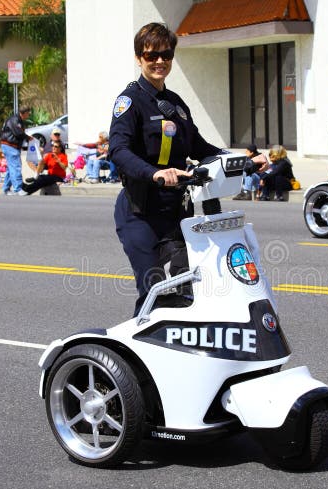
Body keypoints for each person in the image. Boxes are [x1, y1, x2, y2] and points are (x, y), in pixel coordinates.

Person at [109, 22, 223, 314]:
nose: (160, 61)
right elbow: (118, 150)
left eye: (166, 54)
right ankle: (137, 352)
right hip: (141, 212)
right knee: (154, 292)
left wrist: (235, 158)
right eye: (151, 55)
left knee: (190, 291)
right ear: (139, 58)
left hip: (177, 212)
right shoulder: (129, 101)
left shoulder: (176, 103)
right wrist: (154, 173)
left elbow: (198, 147)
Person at [0, 106, 33, 195]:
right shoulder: (15, 120)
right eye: (28, 113)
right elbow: (18, 133)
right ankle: (18, 189)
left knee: (11, 168)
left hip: (11, 146)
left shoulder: (16, 120)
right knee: (16, 166)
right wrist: (28, 138)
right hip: (10, 145)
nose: (29, 115)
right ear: (24, 113)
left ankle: (5, 189)